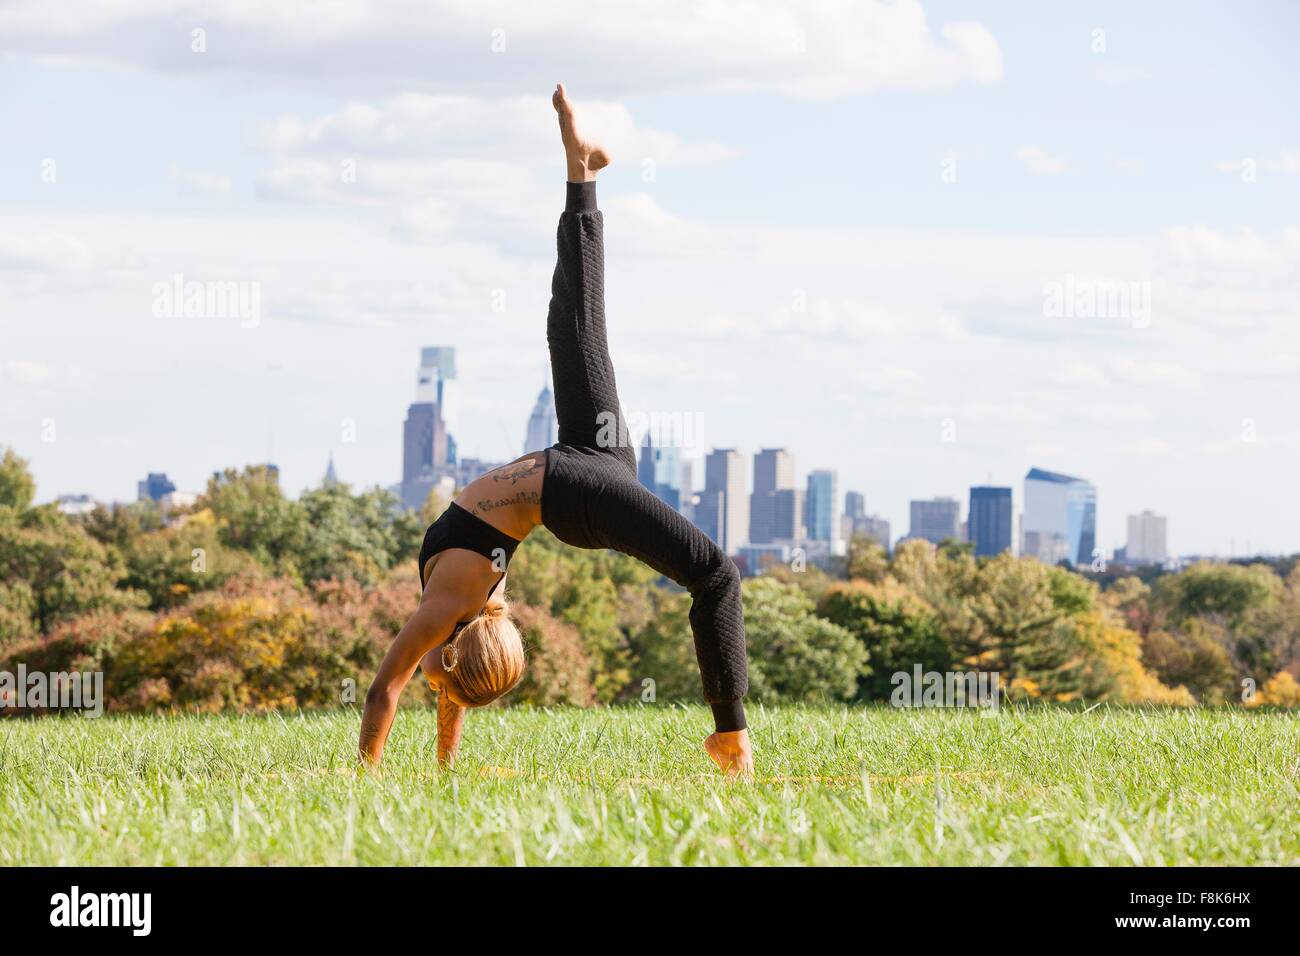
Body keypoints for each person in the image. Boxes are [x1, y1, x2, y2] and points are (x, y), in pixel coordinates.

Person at [358, 84, 752, 776]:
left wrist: (364, 777)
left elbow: (386, 687)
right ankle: (730, 736)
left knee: (575, 325)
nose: (444, 698)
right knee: (711, 574)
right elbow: (439, 681)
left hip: (583, 468)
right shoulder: (454, 611)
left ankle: (582, 172)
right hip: (577, 473)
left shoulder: (452, 612)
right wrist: (441, 758)